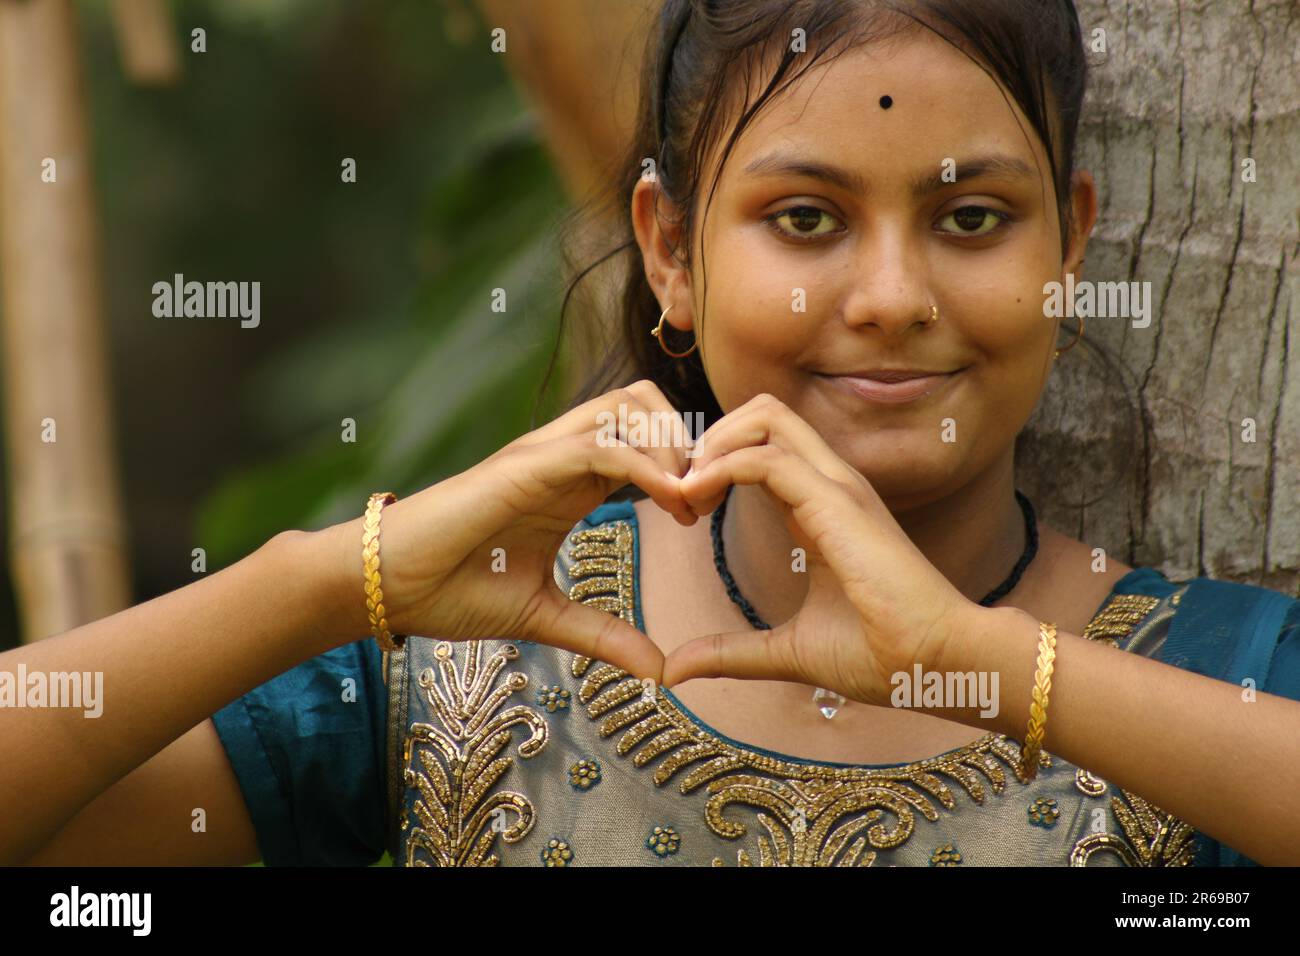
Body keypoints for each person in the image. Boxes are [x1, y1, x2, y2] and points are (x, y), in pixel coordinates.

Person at [6, 0, 1299, 868]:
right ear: (669, 252)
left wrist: (985, 666)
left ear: (1069, 249)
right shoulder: (466, 672)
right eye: (806, 219)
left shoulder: (1222, 692)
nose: (893, 297)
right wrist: (334, 577)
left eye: (972, 222)